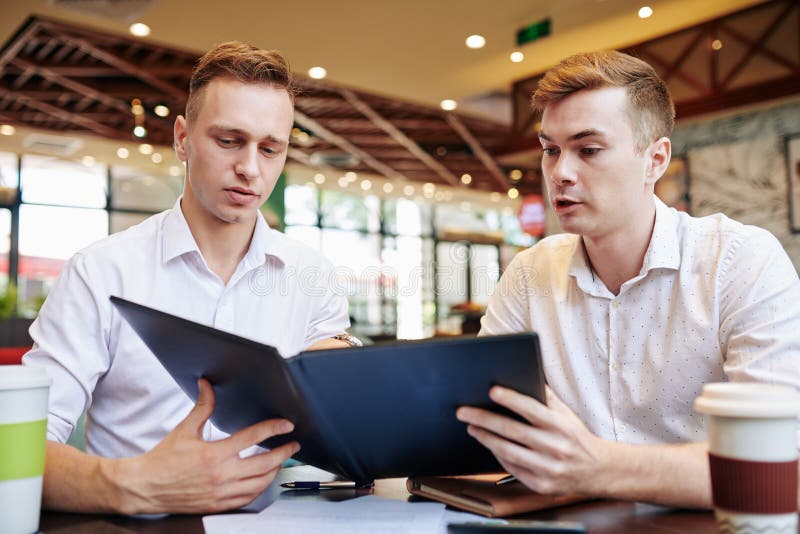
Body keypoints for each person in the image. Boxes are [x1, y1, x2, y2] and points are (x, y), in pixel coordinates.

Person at [23, 42, 356, 515]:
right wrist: (130, 485)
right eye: (228, 141)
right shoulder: (101, 271)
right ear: (182, 137)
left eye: (270, 148)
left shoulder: (313, 275)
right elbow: (15, 445)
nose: (250, 168)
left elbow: (342, 434)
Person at [456, 50, 800, 508]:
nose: (560, 173)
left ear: (655, 159)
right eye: (550, 150)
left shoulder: (739, 261)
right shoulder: (529, 274)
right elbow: (479, 426)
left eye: (589, 149)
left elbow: (777, 468)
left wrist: (597, 466)